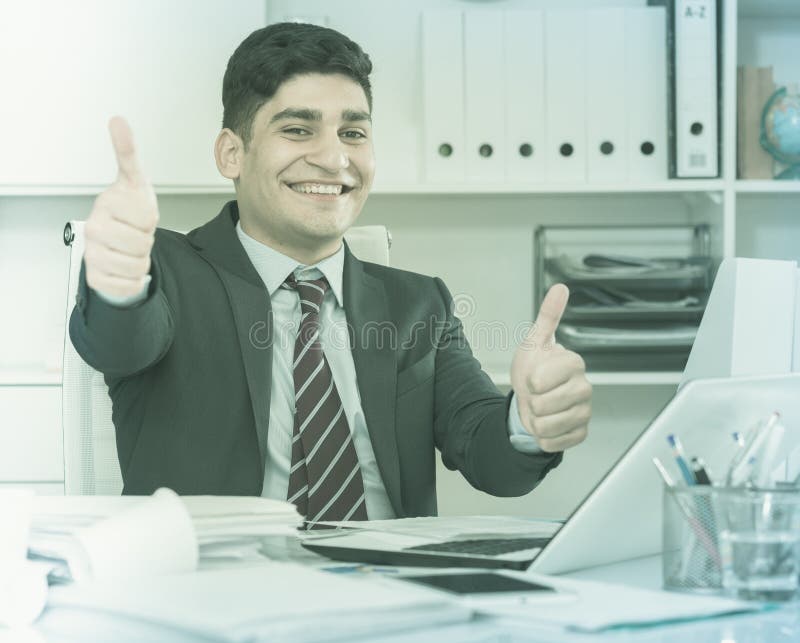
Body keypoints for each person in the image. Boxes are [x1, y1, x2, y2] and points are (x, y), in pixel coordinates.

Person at [70, 22, 592, 522]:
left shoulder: (418, 304)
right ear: (232, 153)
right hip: (220, 591)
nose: (334, 158)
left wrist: (528, 421)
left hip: (387, 587)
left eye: (353, 132)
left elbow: (489, 455)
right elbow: (121, 340)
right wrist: (120, 283)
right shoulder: (164, 270)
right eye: (298, 130)